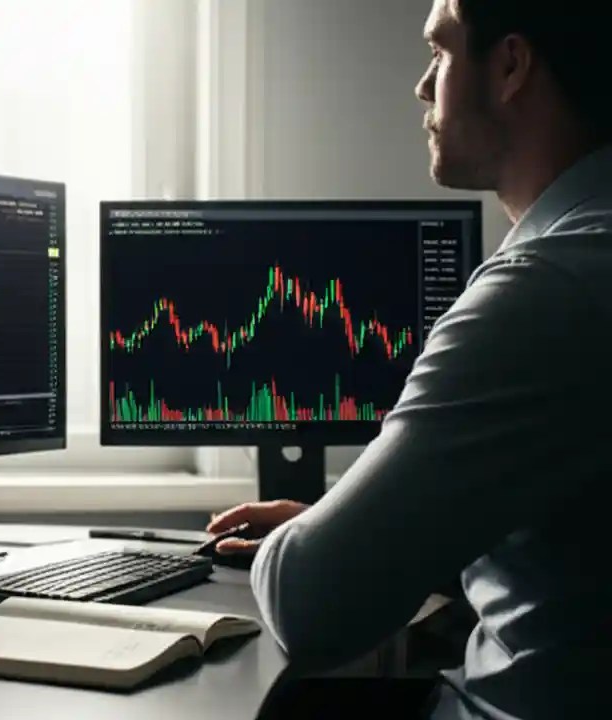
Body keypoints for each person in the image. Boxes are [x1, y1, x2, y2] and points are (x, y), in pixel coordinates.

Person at [207, 0, 612, 717]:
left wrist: (306, 542)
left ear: (512, 65)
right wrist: (369, 529)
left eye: (441, 51)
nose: (423, 86)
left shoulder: (545, 288)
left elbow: (312, 604)